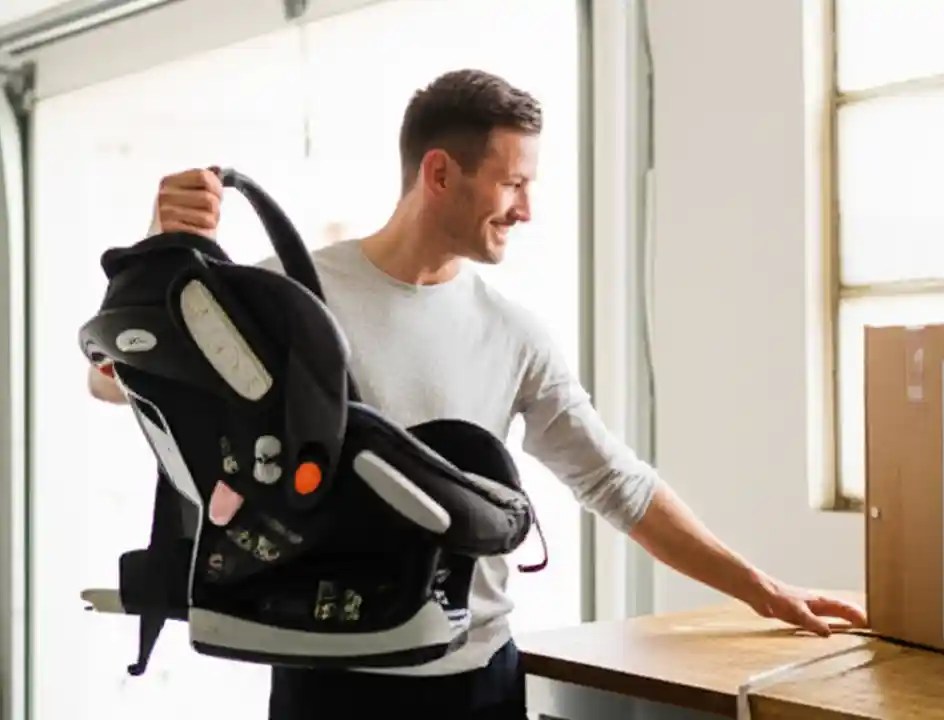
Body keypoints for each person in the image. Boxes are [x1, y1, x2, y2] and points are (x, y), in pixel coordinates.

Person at [87, 68, 867, 719]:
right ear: (439, 174)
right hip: (326, 681)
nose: (526, 209)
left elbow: (616, 483)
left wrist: (766, 591)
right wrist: (162, 251)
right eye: (513, 183)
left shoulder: (513, 332)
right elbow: (115, 382)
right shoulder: (287, 296)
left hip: (478, 682)